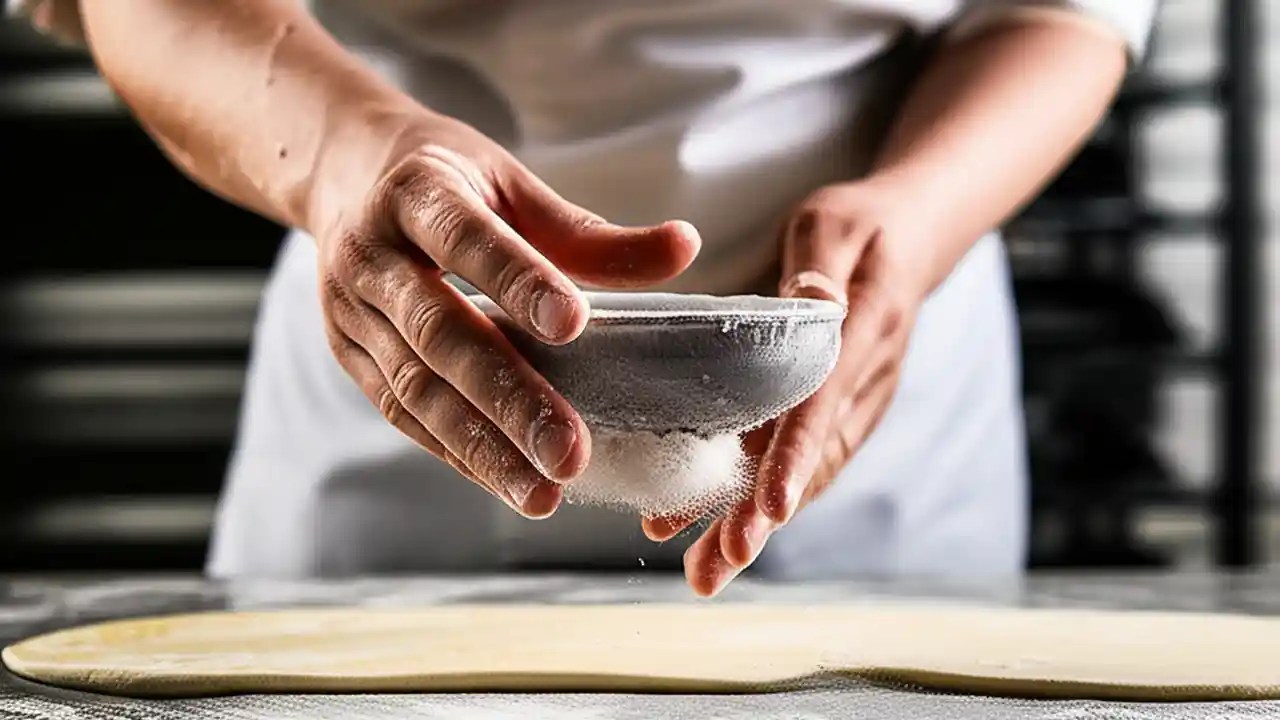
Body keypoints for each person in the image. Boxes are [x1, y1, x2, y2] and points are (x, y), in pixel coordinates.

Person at [11, 0, 1156, 595]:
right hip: (400, 363)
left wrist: (919, 214)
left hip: (874, 419)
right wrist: (339, 157)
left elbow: (1061, 11)